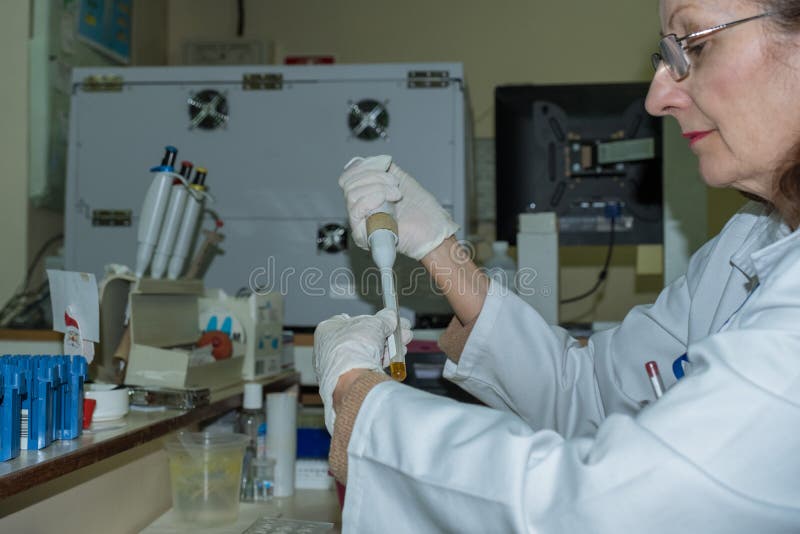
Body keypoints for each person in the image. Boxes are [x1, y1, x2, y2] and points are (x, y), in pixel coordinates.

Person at [313, 0, 800, 531]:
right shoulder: (753, 237)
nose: (657, 97)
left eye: (696, 46)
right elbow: (591, 393)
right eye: (666, 54)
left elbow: (608, 506)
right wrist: (439, 249)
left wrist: (359, 400)